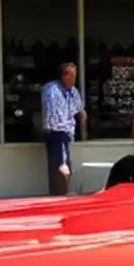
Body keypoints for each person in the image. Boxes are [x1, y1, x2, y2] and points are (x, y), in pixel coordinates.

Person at [41, 62, 85, 195]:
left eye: (75, 77)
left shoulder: (73, 91)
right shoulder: (52, 89)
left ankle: (61, 193)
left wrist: (81, 114)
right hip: (56, 132)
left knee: (64, 164)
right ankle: (61, 195)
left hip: (66, 134)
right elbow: (55, 117)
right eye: (71, 77)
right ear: (64, 76)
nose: (73, 80)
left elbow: (78, 108)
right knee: (61, 166)